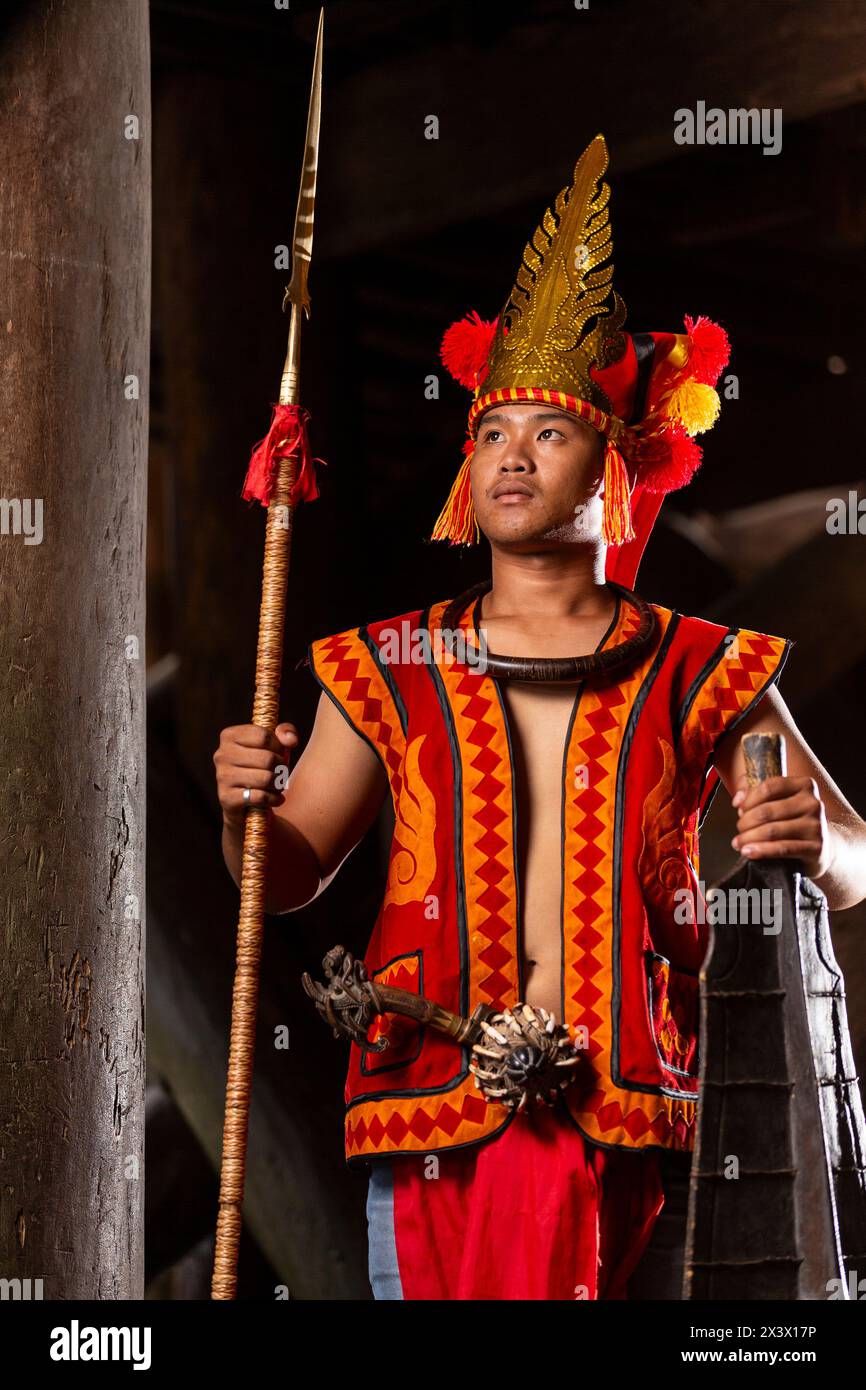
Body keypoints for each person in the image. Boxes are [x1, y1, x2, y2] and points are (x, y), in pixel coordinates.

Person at [215, 135, 866, 1300]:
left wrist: (813, 845)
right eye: (490, 434)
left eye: (548, 433)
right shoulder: (382, 664)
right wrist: (240, 806)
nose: (511, 457)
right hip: (429, 1121)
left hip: (646, 1127)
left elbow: (859, 861)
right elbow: (283, 876)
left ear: (611, 466)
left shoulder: (699, 661)